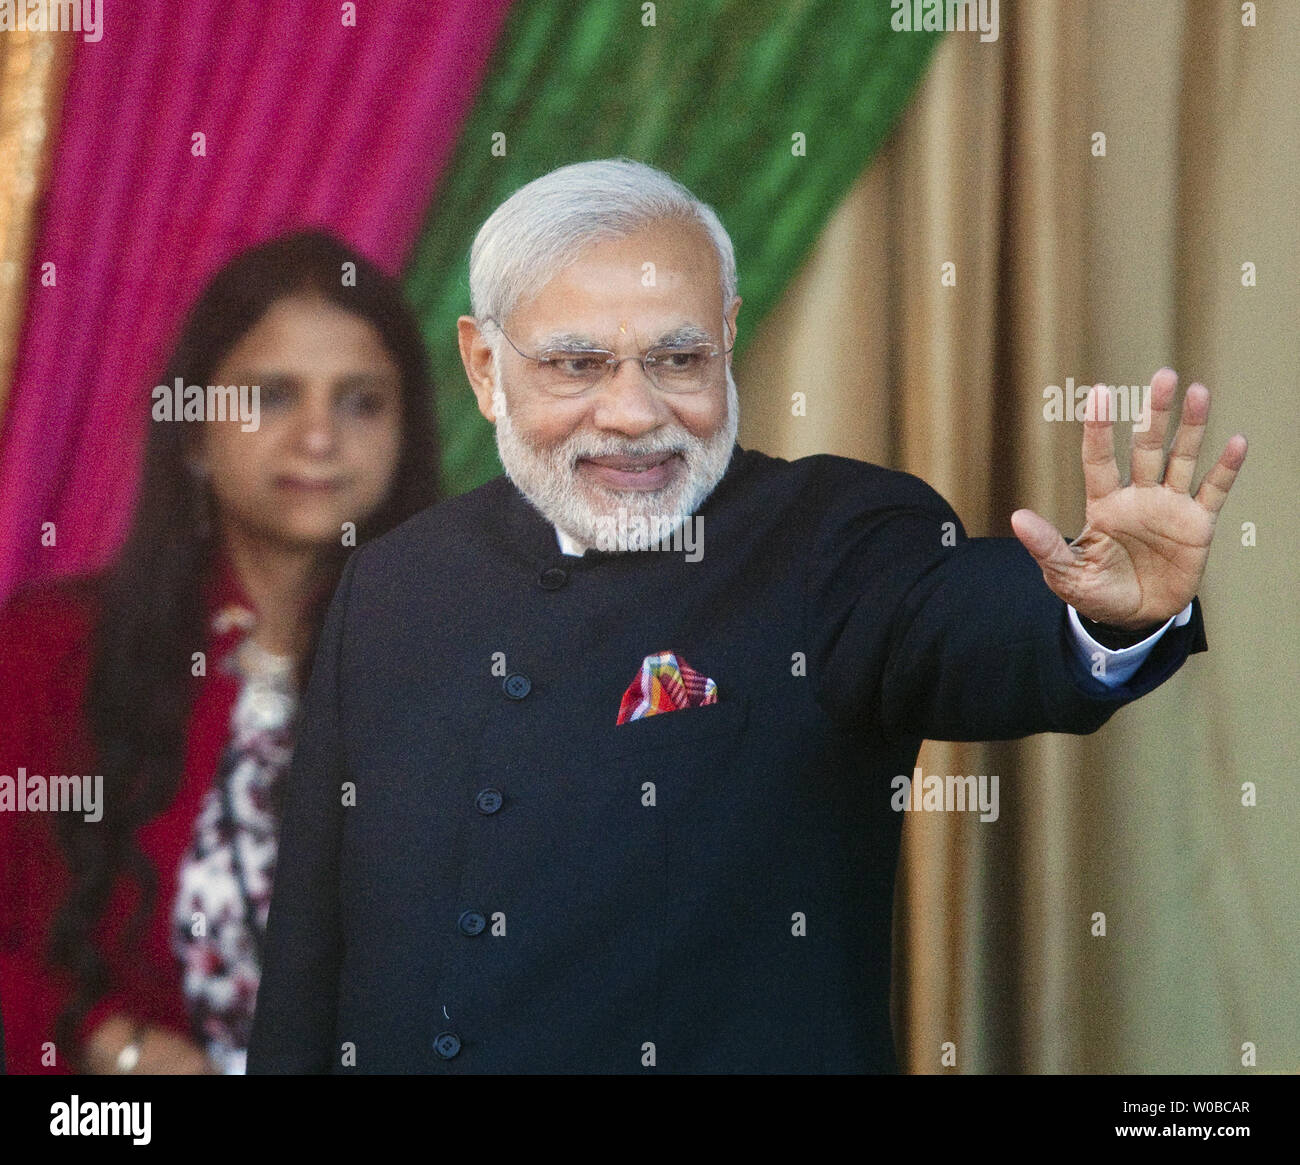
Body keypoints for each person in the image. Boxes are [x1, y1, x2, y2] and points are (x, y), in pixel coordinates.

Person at [247, 159, 1246, 1074]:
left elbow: (961, 620)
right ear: (482, 369)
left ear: (727, 337)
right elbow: (308, 949)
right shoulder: (393, 581)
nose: (635, 413)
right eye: (577, 364)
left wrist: (1104, 619)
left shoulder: (834, 537)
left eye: (677, 360)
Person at [0, 231, 440, 1074]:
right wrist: (116, 1047)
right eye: (273, 396)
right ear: (195, 432)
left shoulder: (468, 673)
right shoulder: (49, 651)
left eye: (361, 402)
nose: (320, 437)